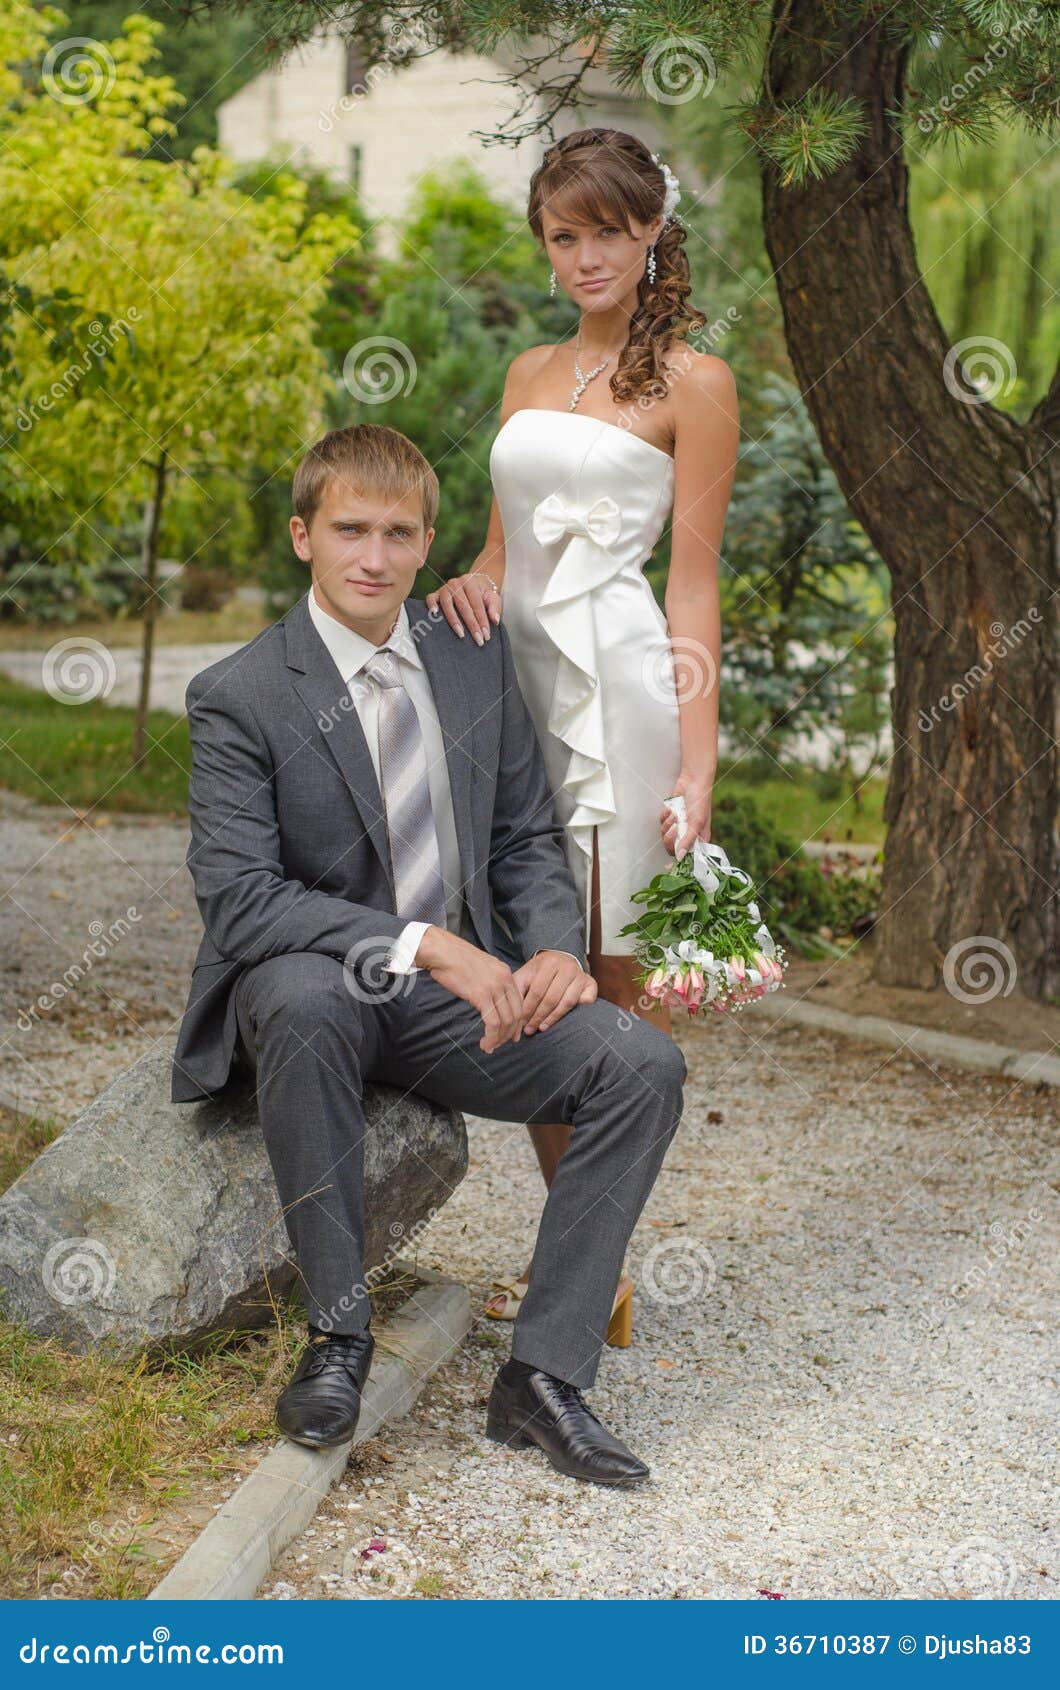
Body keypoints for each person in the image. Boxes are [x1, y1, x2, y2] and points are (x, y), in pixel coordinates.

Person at [171, 422, 687, 1489]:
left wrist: (553, 952)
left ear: (427, 541)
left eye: (397, 533)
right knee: (308, 996)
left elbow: (521, 838)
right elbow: (239, 899)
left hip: (462, 1007)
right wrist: (425, 942)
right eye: (349, 530)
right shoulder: (243, 692)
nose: (374, 555)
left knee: (642, 1063)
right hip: (321, 985)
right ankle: (340, 1336)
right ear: (302, 536)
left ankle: (543, 1378)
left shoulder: (467, 659)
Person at [426, 129, 738, 1331]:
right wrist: (459, 585)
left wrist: (697, 765)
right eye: (565, 235)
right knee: (521, 968)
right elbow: (500, 559)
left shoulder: (696, 384)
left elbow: (693, 588)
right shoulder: (523, 372)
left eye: (609, 229)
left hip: (621, 697)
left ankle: (581, 1271)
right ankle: (591, 1274)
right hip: (513, 699)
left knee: (604, 993)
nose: (586, 255)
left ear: (652, 228)